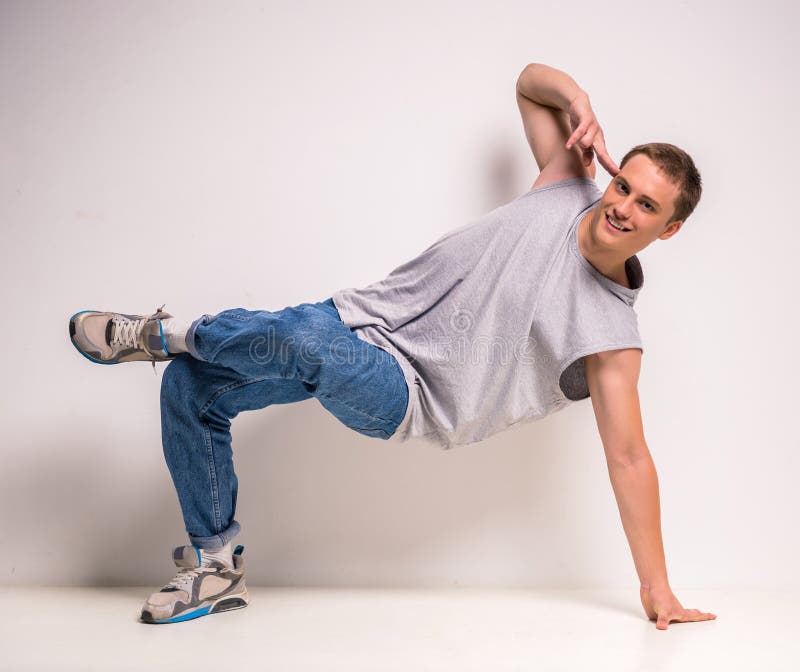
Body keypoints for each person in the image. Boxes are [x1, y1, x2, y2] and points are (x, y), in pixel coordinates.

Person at [68, 62, 716, 630]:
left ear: (670, 228)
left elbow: (629, 459)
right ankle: (214, 568)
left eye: (647, 205)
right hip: (363, 321)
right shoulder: (566, 182)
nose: (623, 205)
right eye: (623, 185)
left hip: (408, 395)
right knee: (192, 388)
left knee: (302, 338)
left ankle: (162, 333)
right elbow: (529, 83)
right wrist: (578, 100)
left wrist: (657, 589)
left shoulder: (611, 336)